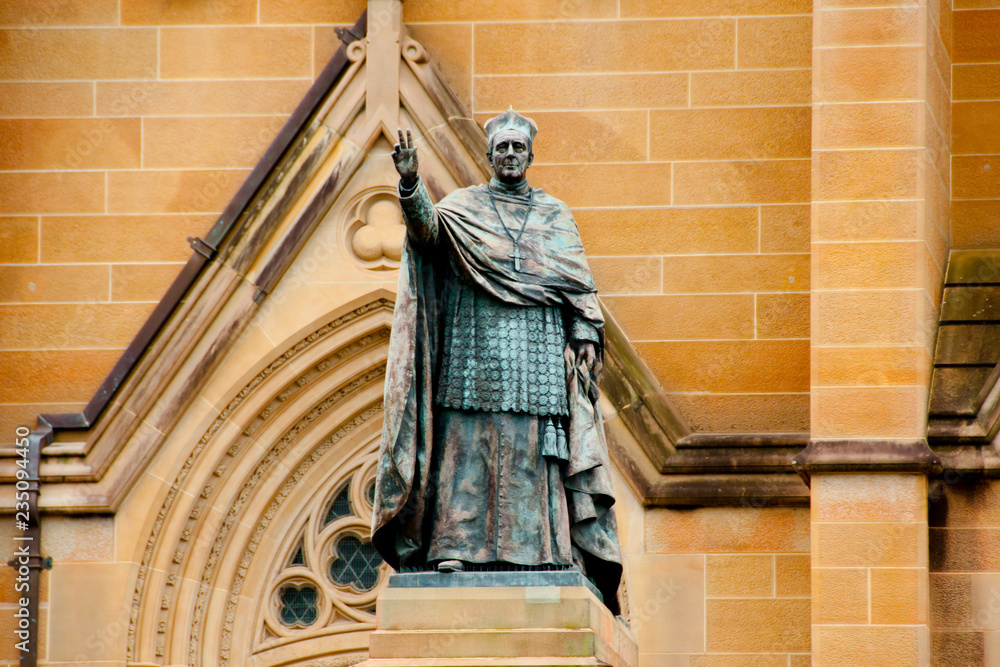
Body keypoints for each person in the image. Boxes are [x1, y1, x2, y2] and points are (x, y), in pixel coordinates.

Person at [371, 108, 621, 610]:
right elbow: (429, 236)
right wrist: (410, 183)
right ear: (489, 155)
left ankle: (546, 551)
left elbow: (579, 289)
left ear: (530, 155)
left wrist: (584, 332)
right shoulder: (464, 207)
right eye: (502, 147)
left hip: (538, 354)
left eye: (518, 148)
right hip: (473, 350)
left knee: (536, 450)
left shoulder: (555, 215)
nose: (510, 154)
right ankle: (455, 548)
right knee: (466, 448)